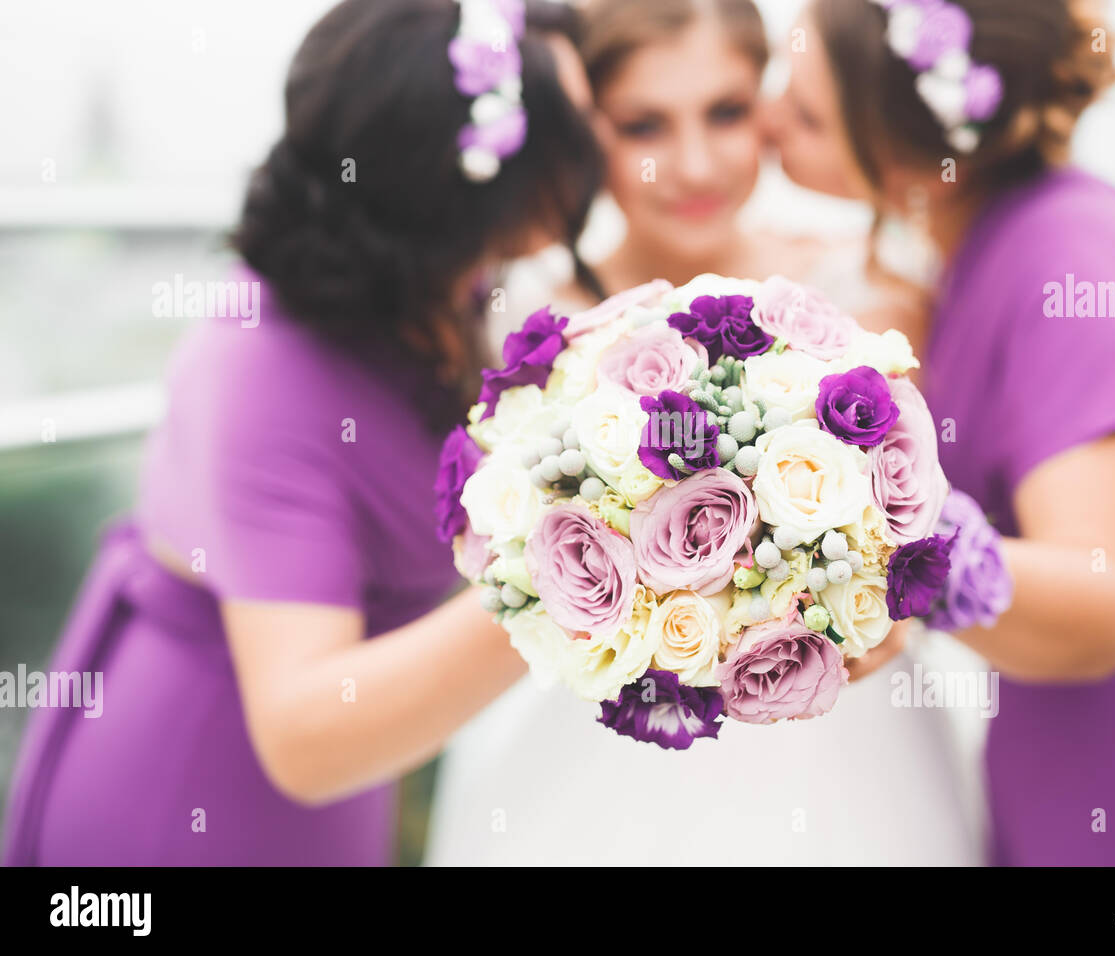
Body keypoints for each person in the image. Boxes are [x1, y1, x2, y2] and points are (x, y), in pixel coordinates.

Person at [1, 0, 603, 866]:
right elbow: (304, 733)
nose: (608, 155)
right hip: (196, 798)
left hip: (350, 792)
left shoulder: (449, 293)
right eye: (581, 135)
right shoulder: (261, 371)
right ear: (468, 187)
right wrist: (582, 574)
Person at [422, 0, 986, 867]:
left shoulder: (867, 295)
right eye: (644, 124)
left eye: (725, 112)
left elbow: (905, 536)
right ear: (586, 134)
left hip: (837, 743)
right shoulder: (530, 326)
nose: (693, 164)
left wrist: (864, 618)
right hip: (591, 749)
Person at [765, 0, 1115, 864]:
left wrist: (852, 533)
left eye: (807, 117)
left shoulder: (1074, 259)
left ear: (923, 153)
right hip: (1063, 746)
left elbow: (1100, 601)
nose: (765, 125)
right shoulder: (986, 246)